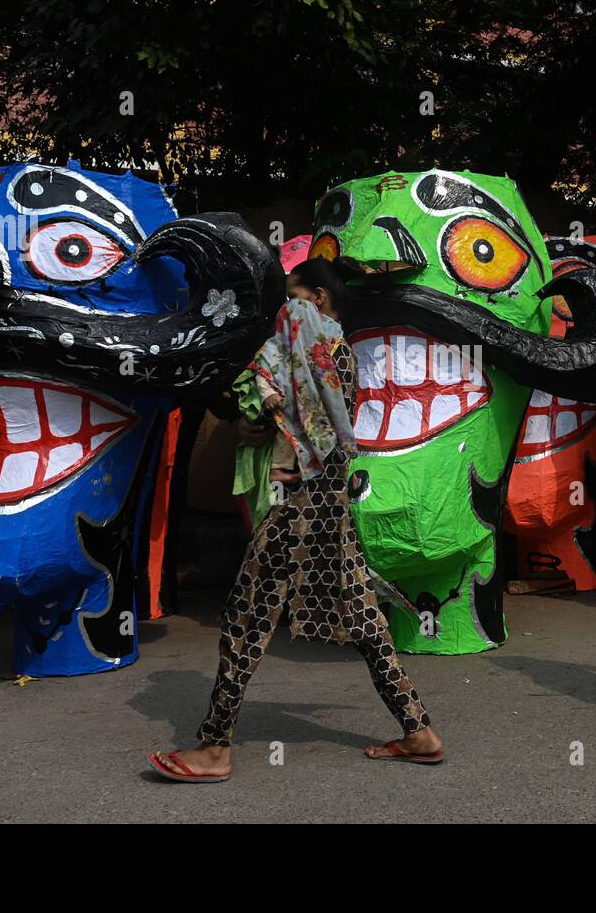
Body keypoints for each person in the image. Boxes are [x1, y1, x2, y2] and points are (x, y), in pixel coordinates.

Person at [147, 258, 444, 781]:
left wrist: (264, 420)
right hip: (330, 512)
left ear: (320, 301)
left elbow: (309, 432)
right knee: (369, 625)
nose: (284, 310)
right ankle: (418, 731)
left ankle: (214, 749)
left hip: (301, 509)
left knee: (244, 620)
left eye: (294, 297)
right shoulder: (325, 357)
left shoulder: (317, 357)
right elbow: (289, 423)